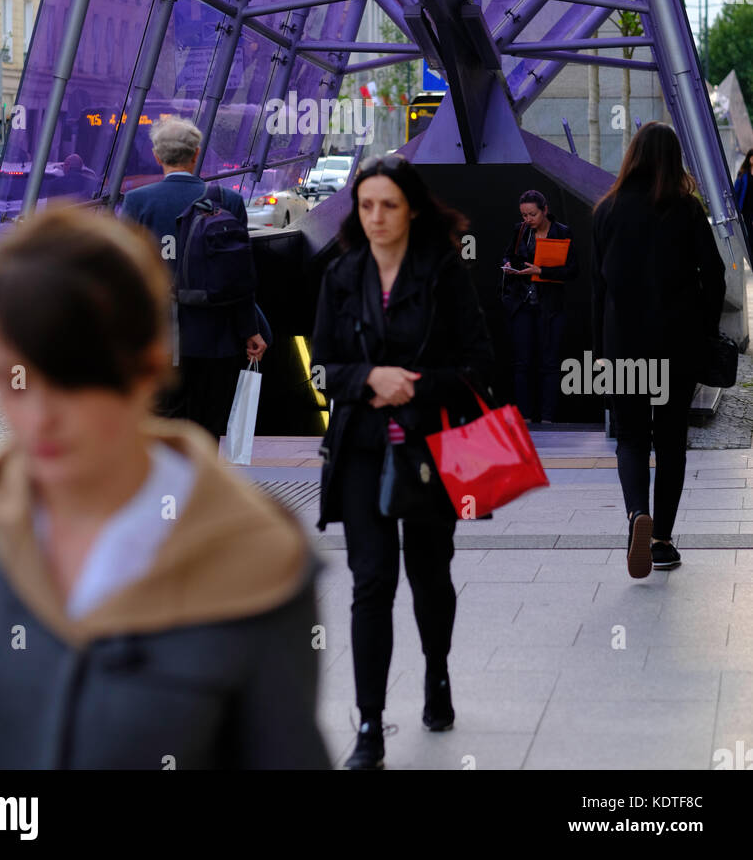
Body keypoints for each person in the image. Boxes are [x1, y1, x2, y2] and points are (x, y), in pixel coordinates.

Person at [0, 206, 330, 770]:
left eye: (73, 381)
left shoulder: (259, 558)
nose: (40, 417)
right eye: (13, 379)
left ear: (147, 368)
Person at [311, 154, 493, 771]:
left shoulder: (442, 272)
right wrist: (368, 378)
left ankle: (437, 673)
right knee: (371, 584)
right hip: (362, 450)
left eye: (388, 205)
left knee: (430, 576)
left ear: (411, 207)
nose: (376, 217)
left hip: (431, 450)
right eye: (366, 206)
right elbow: (321, 370)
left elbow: (478, 366)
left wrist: (416, 385)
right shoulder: (340, 276)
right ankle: (368, 726)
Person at [591, 122, 726, 578]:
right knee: (671, 441)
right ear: (674, 159)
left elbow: (598, 288)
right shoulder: (687, 210)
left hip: (623, 345)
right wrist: (704, 328)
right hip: (677, 343)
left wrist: (599, 349)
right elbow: (716, 276)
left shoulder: (605, 211)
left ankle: (635, 517)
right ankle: (663, 541)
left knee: (629, 438)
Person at [120, 116, 266, 439]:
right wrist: (250, 331)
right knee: (208, 430)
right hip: (218, 338)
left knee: (161, 431)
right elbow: (240, 276)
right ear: (196, 154)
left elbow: (124, 276)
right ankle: (202, 487)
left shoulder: (136, 202)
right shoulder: (228, 201)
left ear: (157, 156)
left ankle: (167, 489)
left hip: (159, 341)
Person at [501, 189, 578, 425]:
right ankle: (524, 417)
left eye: (532, 214)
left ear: (545, 210)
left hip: (550, 305)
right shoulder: (521, 231)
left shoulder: (562, 232)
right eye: (524, 215)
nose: (528, 220)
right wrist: (508, 266)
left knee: (550, 362)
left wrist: (541, 271)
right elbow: (508, 256)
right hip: (523, 303)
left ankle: (547, 418)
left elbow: (572, 271)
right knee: (523, 362)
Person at [733, 148, 753, 245]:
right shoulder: (743, 174)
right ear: (749, 159)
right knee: (750, 230)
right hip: (747, 208)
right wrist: (735, 208)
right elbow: (736, 191)